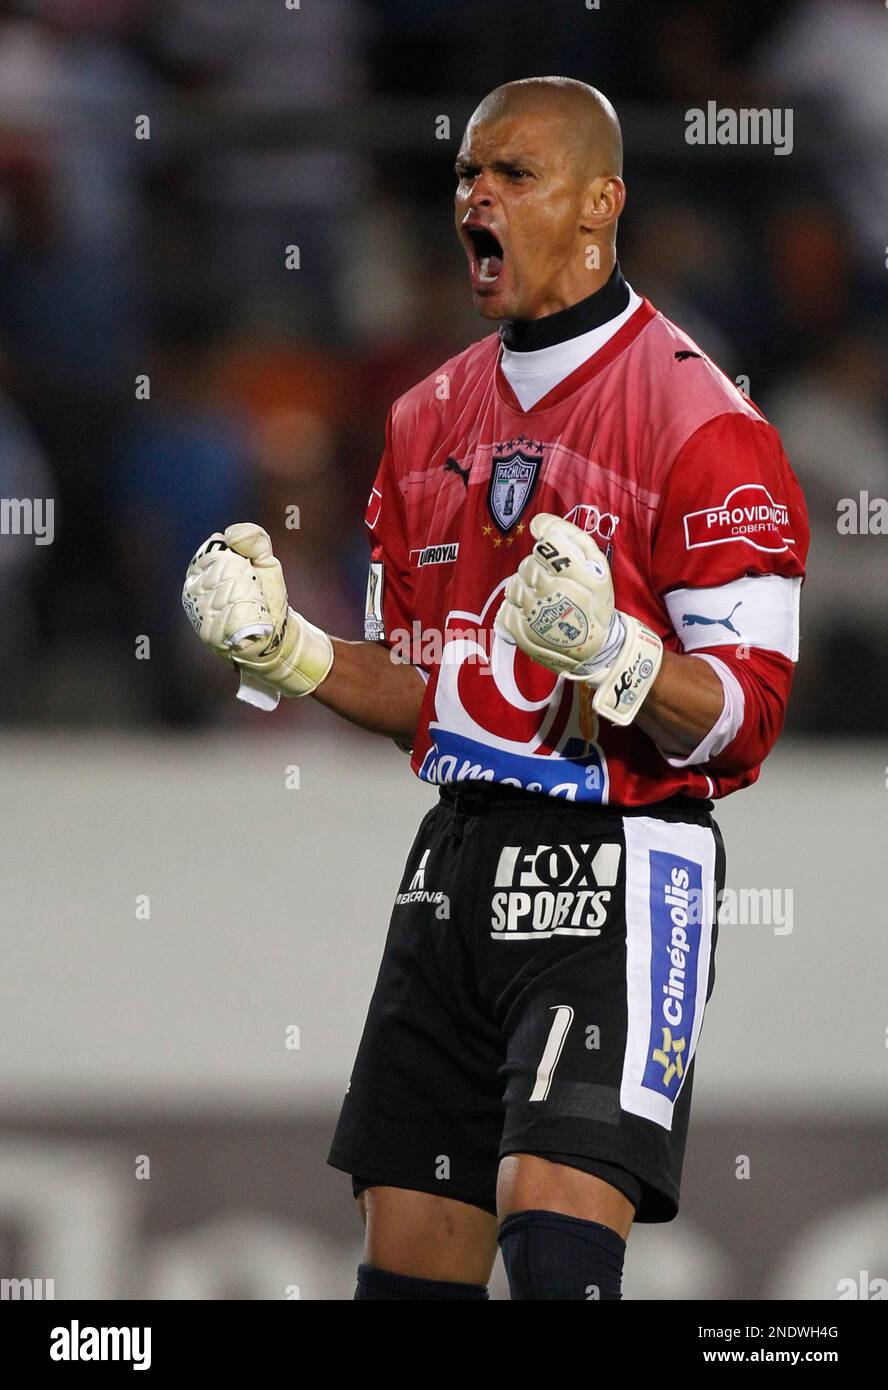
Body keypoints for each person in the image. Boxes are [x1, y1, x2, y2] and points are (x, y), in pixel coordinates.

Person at [182, 77, 809, 1300]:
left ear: (599, 204)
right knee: (408, 1258)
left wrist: (619, 658)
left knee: (553, 1234)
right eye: (468, 174)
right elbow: (423, 688)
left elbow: (749, 713)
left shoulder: (704, 419)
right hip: (456, 862)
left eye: (513, 175)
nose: (476, 196)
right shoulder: (423, 418)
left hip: (623, 855)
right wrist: (289, 651)